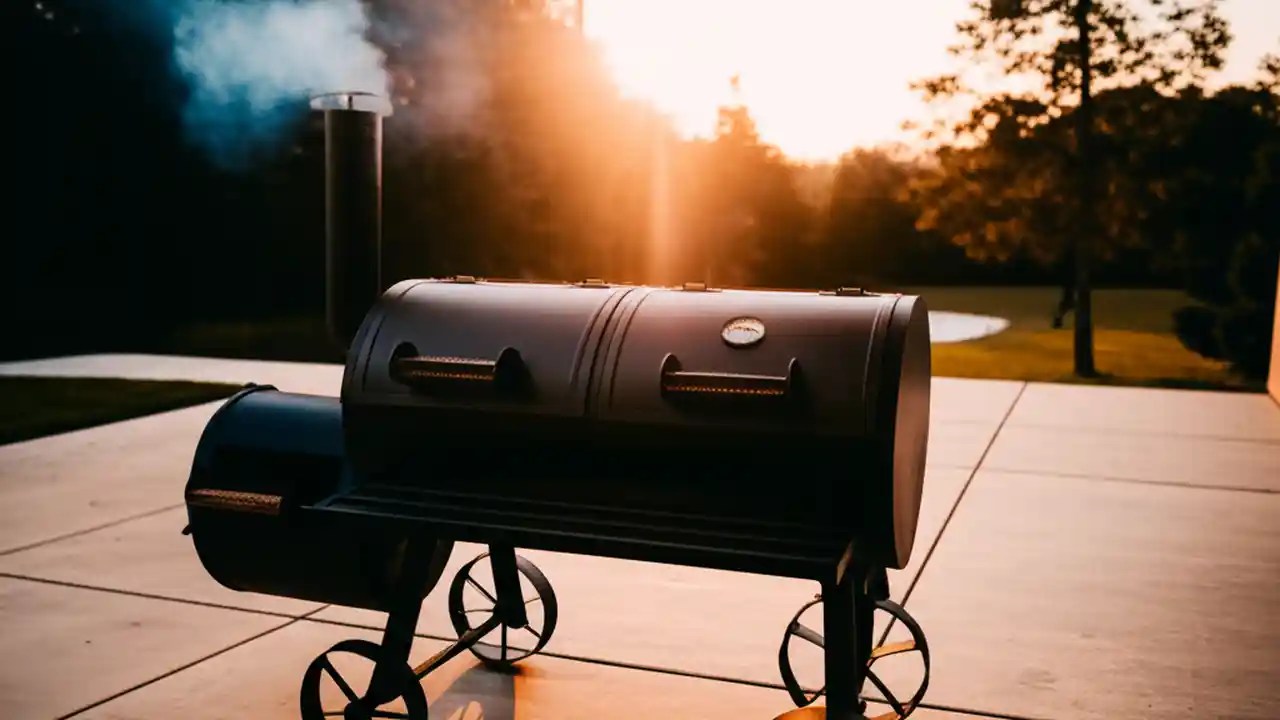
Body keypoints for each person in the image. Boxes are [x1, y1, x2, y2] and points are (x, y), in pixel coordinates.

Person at [1052, 242, 1076, 329]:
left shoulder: (1067, 258)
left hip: (1069, 283)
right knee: (1068, 302)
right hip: (1070, 283)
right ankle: (1058, 320)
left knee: (1067, 302)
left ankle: (1058, 320)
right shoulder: (1071, 259)